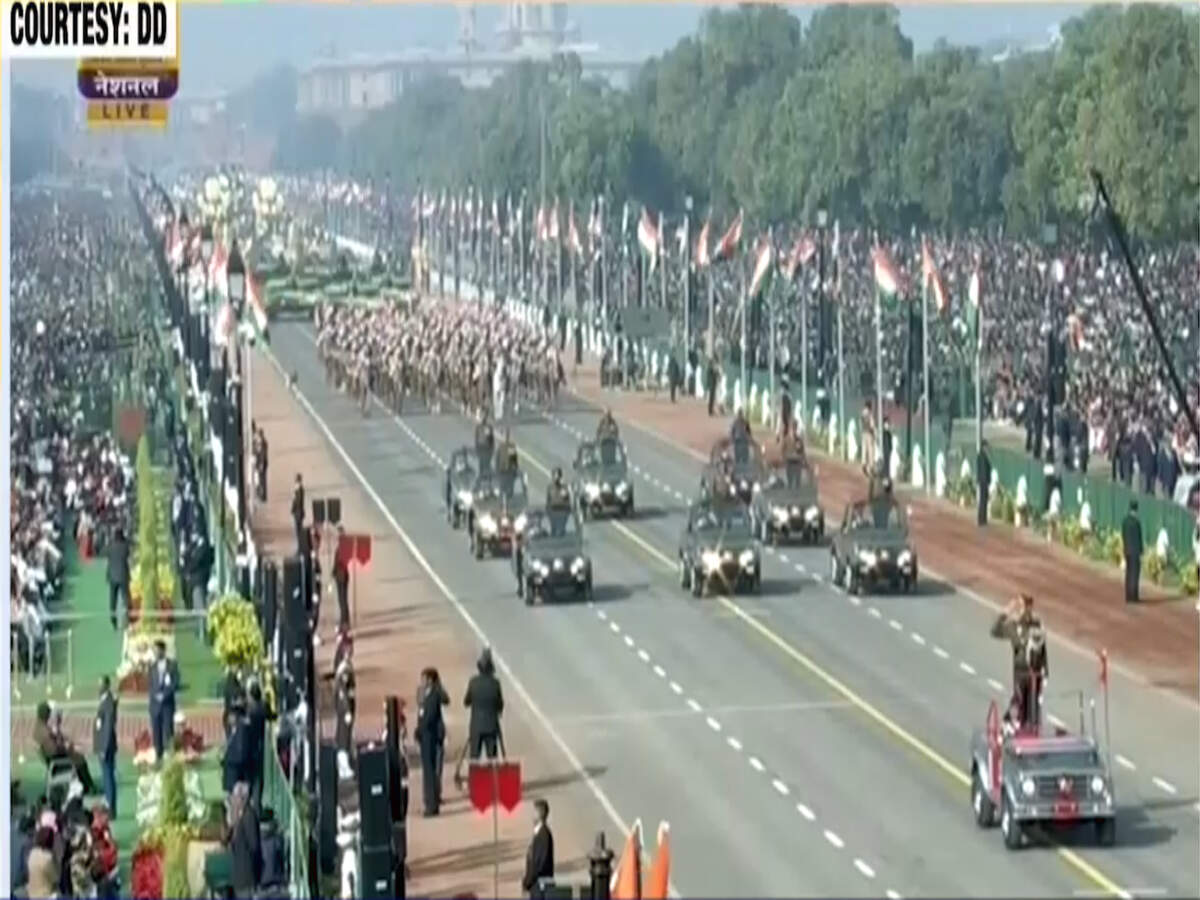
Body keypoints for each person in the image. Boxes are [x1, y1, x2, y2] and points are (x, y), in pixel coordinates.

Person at [990, 595, 1048, 730]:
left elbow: (1042, 647)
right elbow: (995, 631)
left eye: (1027, 607)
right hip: (1020, 669)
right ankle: (1009, 721)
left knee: (1033, 702)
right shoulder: (1013, 626)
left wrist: (1045, 670)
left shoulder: (1036, 625)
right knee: (1019, 697)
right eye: (1021, 607)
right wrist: (1005, 613)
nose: (1024, 611)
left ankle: (1031, 727)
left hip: (1036, 669)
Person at [34, 701, 96, 794]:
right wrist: (66, 747)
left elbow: (53, 740)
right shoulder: (44, 732)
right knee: (79, 759)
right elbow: (54, 750)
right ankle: (88, 786)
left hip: (51, 757)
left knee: (77, 755)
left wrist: (61, 739)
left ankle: (86, 784)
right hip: (56, 759)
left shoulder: (39, 727)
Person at [415, 667, 450, 816]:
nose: (421, 682)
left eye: (424, 679)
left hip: (430, 737)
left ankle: (432, 804)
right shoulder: (424, 694)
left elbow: (429, 717)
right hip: (426, 737)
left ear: (430, 680)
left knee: (431, 772)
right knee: (429, 772)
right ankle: (431, 801)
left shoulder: (435, 694)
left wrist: (419, 730)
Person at [463, 647, 504, 760]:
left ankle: (475, 777)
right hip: (491, 725)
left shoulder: (473, 682)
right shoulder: (495, 683)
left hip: (476, 725)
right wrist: (498, 711)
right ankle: (493, 777)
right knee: (492, 757)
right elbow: (500, 703)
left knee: (474, 756)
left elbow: (466, 702)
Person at [227, 782, 262, 900]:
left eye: (235, 798)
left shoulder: (249, 816)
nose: (233, 801)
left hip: (247, 877)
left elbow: (254, 845)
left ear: (242, 798)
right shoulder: (239, 817)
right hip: (240, 878)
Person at [149, 640, 180, 763]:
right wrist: (155, 695)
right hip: (155, 706)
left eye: (157, 650)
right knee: (156, 731)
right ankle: (158, 755)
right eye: (154, 650)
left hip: (167, 705)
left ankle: (170, 756)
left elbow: (175, 683)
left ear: (163, 650)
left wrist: (164, 695)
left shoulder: (172, 665)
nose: (155, 653)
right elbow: (150, 684)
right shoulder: (152, 667)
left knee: (168, 731)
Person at [93, 675, 119, 817]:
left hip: (106, 747)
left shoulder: (108, 702)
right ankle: (109, 805)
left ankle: (111, 807)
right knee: (106, 776)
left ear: (107, 686)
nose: (98, 687)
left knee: (108, 776)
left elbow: (108, 726)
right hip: (103, 746)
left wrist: (103, 747)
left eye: (101, 684)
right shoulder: (105, 701)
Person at [521, 798, 555, 900]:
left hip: (540, 886)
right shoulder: (539, 833)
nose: (531, 815)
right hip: (536, 885)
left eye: (534, 812)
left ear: (539, 814)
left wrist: (528, 881)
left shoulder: (544, 835)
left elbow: (539, 863)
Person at [105, 527, 130, 631]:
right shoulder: (125, 546)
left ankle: (113, 620)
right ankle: (127, 619)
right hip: (123, 575)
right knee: (126, 599)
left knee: (113, 600)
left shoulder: (110, 546)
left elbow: (106, 554)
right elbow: (127, 554)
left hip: (112, 576)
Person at [26, 826, 57, 899]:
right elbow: (55, 878)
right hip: (45, 894)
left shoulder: (32, 853)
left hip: (32, 893)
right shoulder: (48, 857)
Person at [1122, 500, 1143, 604]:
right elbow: (1139, 538)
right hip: (1135, 551)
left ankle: (1128, 596)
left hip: (1127, 550)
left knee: (1128, 573)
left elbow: (1123, 535)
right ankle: (1134, 596)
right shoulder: (1136, 522)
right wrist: (1141, 550)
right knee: (1134, 574)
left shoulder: (1125, 521)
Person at [976, 440, 992, 527]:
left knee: (983, 500)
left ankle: (982, 519)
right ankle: (982, 520)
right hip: (984, 482)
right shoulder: (982, 457)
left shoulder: (981, 456)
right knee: (983, 500)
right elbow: (983, 471)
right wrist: (986, 481)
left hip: (982, 481)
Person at [291, 473, 306, 552]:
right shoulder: (298, 489)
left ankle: (300, 547)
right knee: (298, 531)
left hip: (298, 513)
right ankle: (300, 547)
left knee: (299, 531)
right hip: (298, 513)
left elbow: (298, 502)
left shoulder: (299, 490)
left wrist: (293, 509)